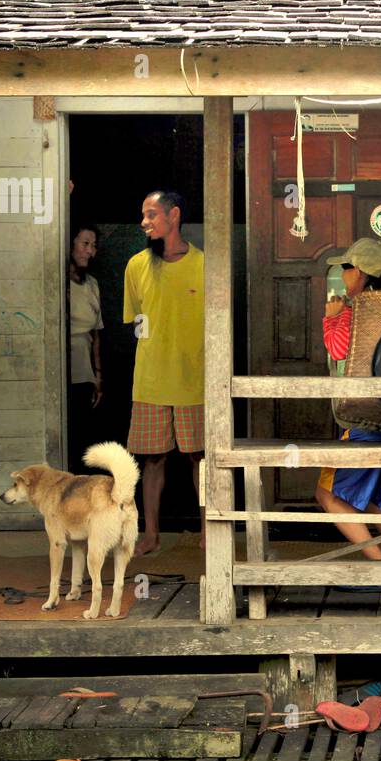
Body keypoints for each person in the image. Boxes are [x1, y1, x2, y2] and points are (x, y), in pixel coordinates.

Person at [315, 238, 381, 566]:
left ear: (357, 272)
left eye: (345, 268)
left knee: (327, 495)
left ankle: (380, 566)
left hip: (362, 421)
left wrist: (331, 317)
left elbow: (338, 349)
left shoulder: (353, 309)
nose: (343, 274)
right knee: (371, 500)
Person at [124, 190, 205, 556]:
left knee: (200, 458)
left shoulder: (204, 265)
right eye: (143, 216)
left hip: (195, 381)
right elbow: (137, 322)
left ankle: (209, 531)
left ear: (174, 215)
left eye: (152, 215)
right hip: (151, 380)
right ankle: (151, 533)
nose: (145, 222)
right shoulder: (136, 266)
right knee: (152, 459)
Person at [67, 220, 104, 474]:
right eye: (85, 244)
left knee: (83, 438)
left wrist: (98, 375)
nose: (90, 251)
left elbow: (96, 333)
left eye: (93, 246)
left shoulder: (91, 284)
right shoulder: (58, 283)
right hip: (61, 371)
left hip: (84, 373)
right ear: (70, 245)